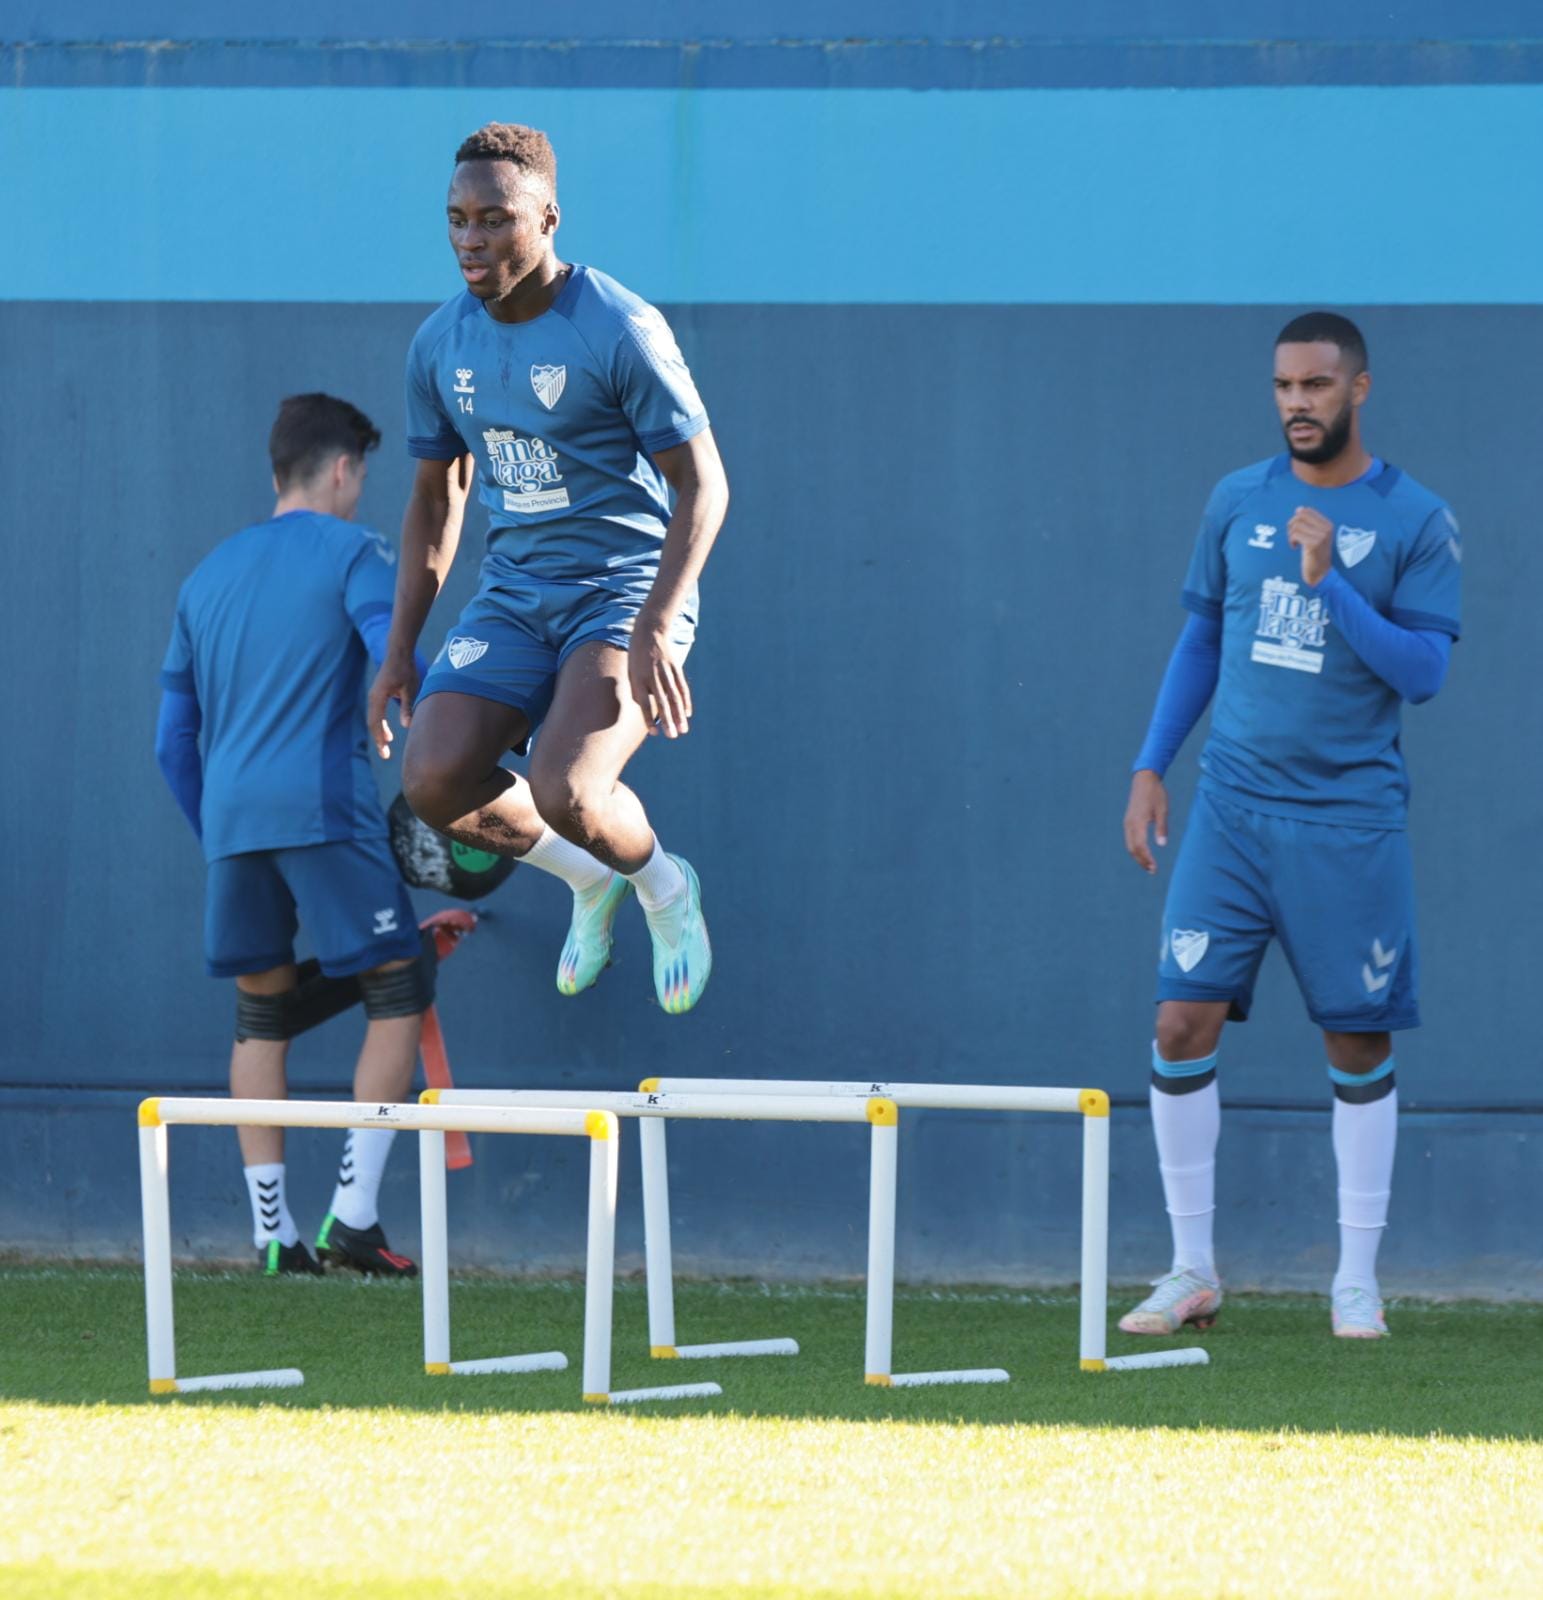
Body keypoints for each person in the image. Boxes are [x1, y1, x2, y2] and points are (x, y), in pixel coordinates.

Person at [1120, 312, 1462, 1340]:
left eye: (1316, 386)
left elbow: (1425, 673)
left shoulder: (1416, 519)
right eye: (1282, 387)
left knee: (1355, 1042)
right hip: (1229, 808)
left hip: (1346, 820)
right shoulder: (1237, 499)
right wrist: (1150, 766)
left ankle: (1354, 1278)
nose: (1296, 404)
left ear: (1358, 389)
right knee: (1180, 1021)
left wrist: (1337, 586)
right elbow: (1200, 642)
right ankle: (1190, 1270)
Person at [367, 121, 730, 1016]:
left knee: (571, 791)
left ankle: (661, 887)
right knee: (434, 779)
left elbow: (705, 487)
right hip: (515, 596)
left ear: (548, 218)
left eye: (494, 219)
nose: (471, 240)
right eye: (456, 220)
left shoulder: (618, 327)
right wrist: (399, 647)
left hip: (623, 592)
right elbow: (435, 497)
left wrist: (656, 622)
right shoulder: (438, 344)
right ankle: (587, 881)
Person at [156, 393, 465, 1276]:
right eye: (361, 475)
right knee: (400, 984)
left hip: (232, 822)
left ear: (275, 471)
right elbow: (396, 658)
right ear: (342, 469)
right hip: (322, 808)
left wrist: (219, 826)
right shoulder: (355, 553)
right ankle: (354, 1221)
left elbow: (170, 743)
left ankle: (271, 1238)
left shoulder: (205, 575)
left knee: (262, 1012)